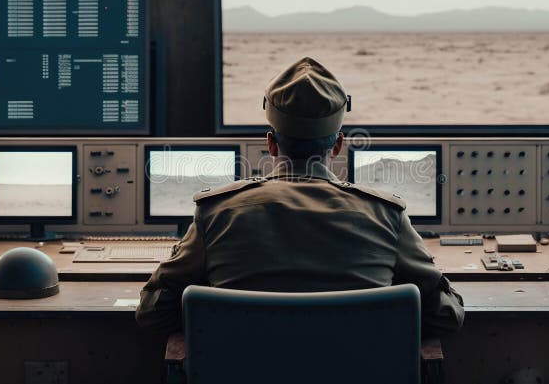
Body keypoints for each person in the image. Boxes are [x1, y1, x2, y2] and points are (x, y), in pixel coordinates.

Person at [136, 57, 464, 337]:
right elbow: (446, 315)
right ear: (337, 146)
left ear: (270, 143)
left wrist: (213, 317)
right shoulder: (386, 216)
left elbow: (152, 311)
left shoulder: (217, 213)